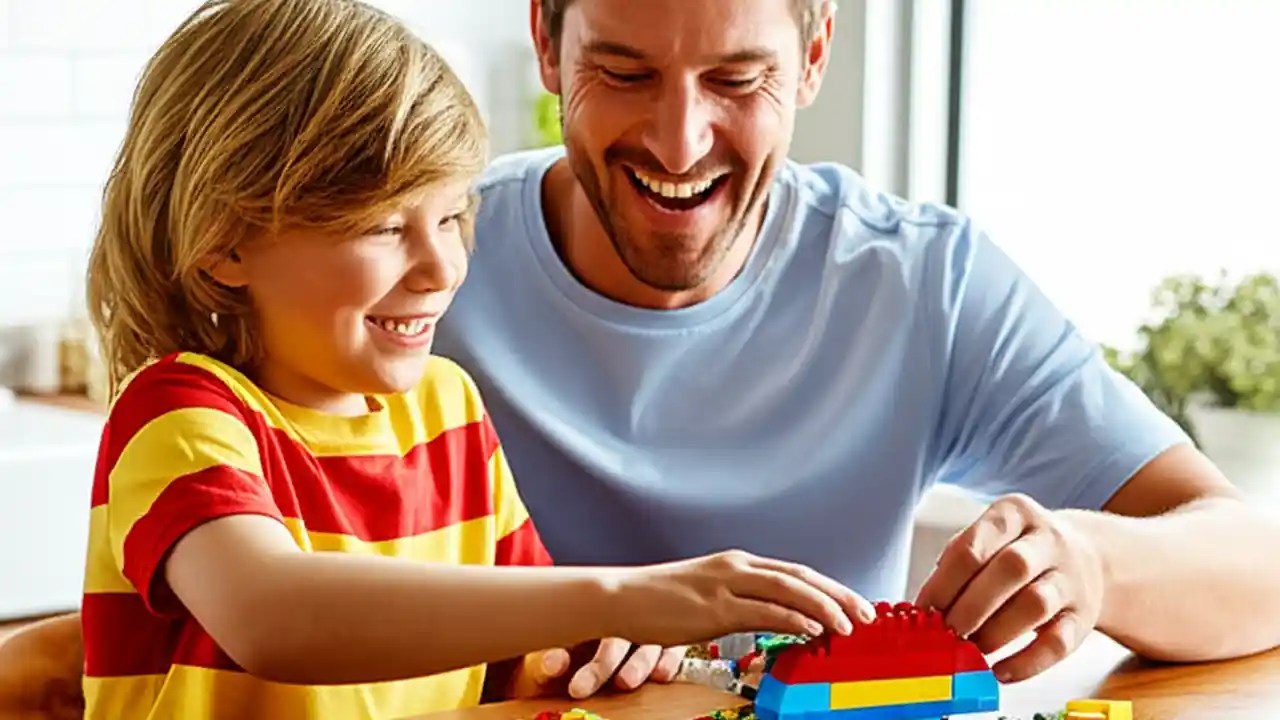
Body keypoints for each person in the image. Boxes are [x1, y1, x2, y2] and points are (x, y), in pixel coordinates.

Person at [0, 1, 879, 718]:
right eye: (385, 228)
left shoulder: (447, 408)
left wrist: (603, 654)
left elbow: (521, 661)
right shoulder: (182, 416)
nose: (440, 268)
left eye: (453, 217)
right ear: (226, 245)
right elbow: (274, 616)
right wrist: (621, 595)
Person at [432, 0, 1280, 698]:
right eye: (624, 73)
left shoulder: (921, 281)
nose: (678, 141)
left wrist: (1093, 564)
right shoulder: (422, 265)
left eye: (737, 79)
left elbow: (1258, 568)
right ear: (547, 40)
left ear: (813, 55)